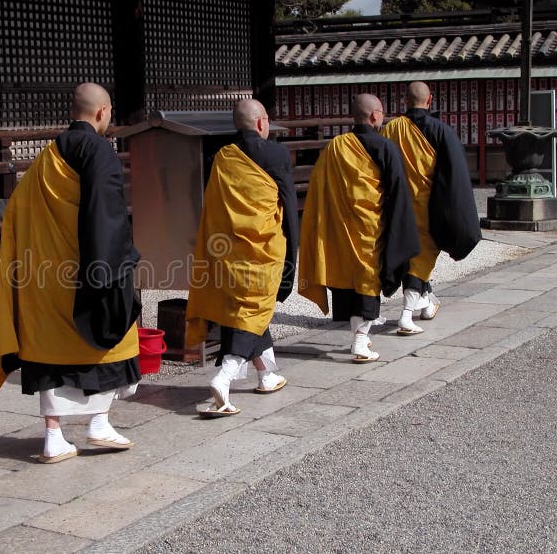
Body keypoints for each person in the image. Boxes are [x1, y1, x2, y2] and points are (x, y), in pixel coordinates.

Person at [0, 83, 142, 463]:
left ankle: (53, 436)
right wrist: (112, 268)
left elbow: (17, 212)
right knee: (107, 341)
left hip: (46, 275)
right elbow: (108, 214)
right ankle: (98, 422)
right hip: (88, 268)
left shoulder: (47, 157)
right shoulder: (98, 150)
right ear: (102, 112)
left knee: (49, 352)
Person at [185, 98, 299, 416]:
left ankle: (266, 374)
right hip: (264, 250)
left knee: (246, 310)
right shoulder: (276, 154)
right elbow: (288, 203)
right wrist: (293, 248)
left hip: (229, 252)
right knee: (255, 308)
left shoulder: (222, 156)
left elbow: (214, 207)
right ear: (261, 122)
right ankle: (224, 377)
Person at [298, 94, 419, 363]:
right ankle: (360, 342)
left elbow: (319, 189)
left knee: (349, 281)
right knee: (367, 280)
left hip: (341, 229)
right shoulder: (386, 147)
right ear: (375, 115)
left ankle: (359, 336)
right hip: (371, 228)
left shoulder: (335, 147)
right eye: (382, 113)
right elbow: (398, 192)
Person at [382, 81, 481, 335]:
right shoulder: (441, 131)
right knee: (420, 259)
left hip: (396, 206)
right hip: (426, 207)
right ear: (430, 100)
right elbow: (454, 175)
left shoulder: (392, 129)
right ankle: (405, 315)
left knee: (411, 258)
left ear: (405, 101)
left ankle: (427, 304)